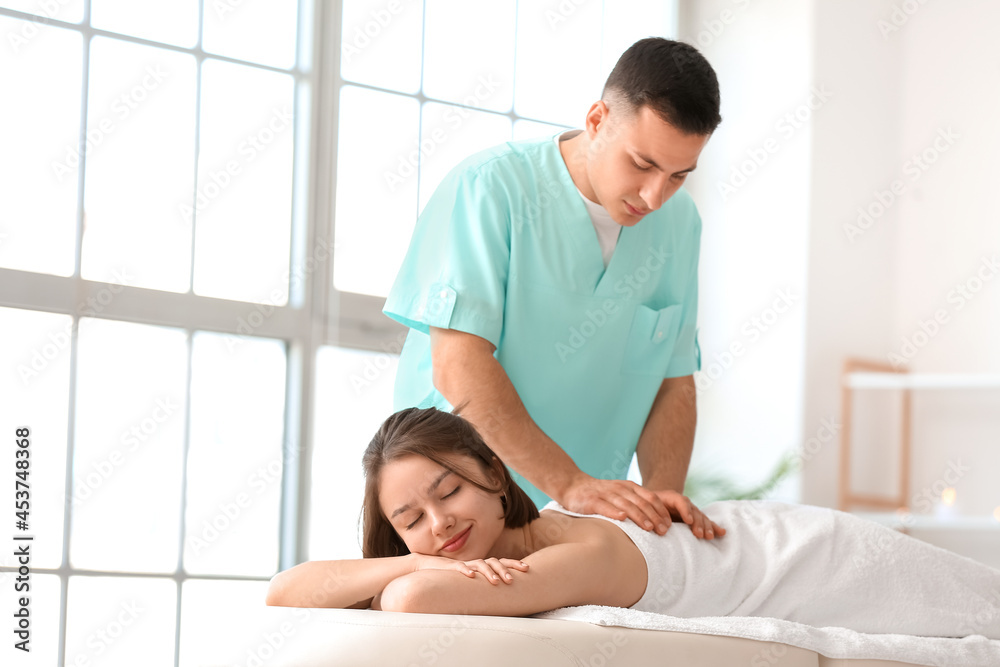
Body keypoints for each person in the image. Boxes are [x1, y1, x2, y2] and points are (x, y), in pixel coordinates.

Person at [381, 38, 722, 535]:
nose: (655, 196)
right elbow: (459, 364)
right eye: (642, 164)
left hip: (576, 521)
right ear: (598, 120)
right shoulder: (490, 187)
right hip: (450, 507)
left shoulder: (679, 223)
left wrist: (661, 495)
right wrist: (569, 484)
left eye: (678, 176)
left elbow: (673, 378)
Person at [266, 408, 1000, 639]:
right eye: (409, 519)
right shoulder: (458, 560)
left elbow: (410, 600)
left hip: (814, 557)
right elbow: (284, 590)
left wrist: (418, 569)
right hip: (777, 545)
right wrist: (414, 557)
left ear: (493, 472)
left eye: (448, 490)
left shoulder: (579, 550)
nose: (439, 523)